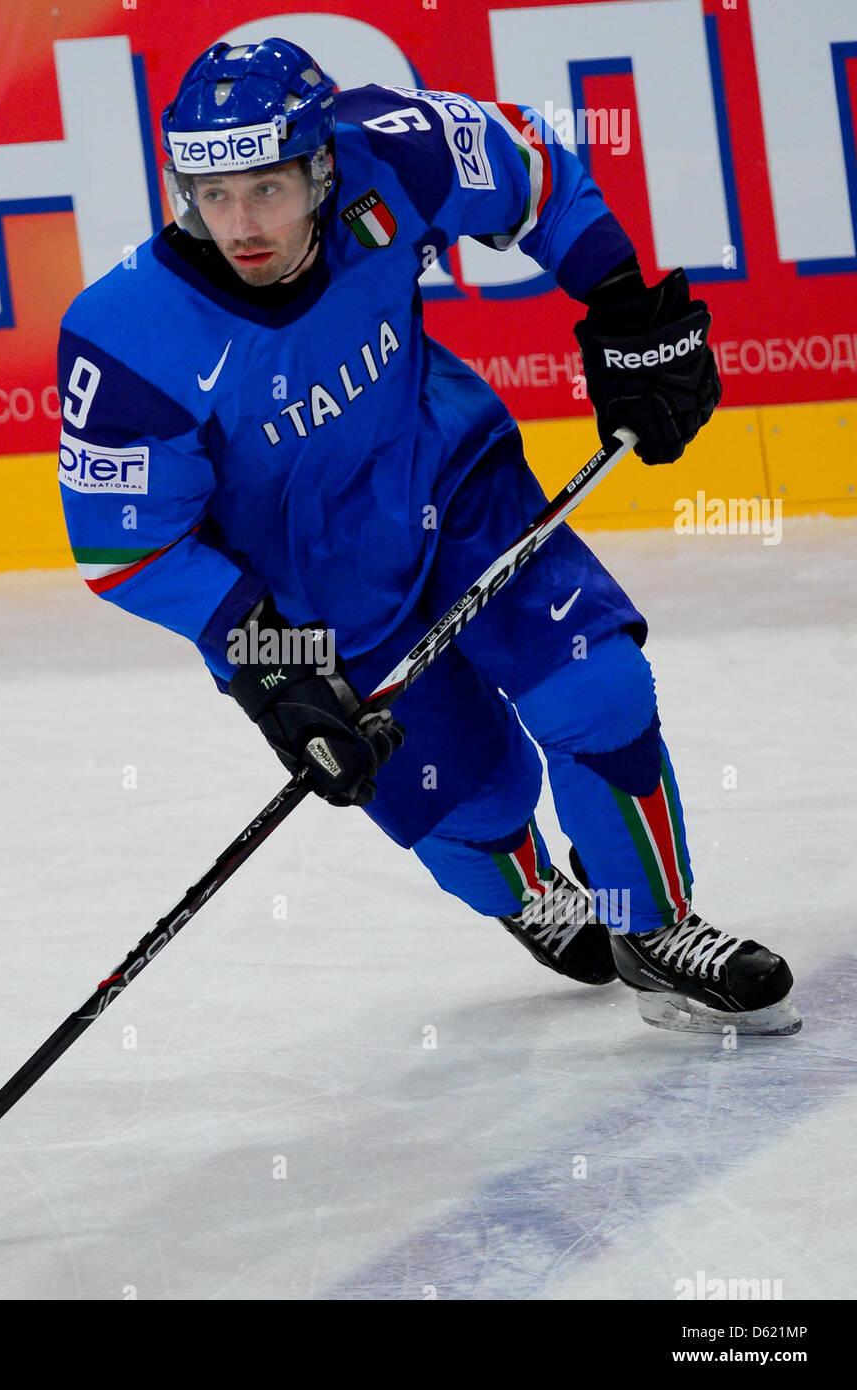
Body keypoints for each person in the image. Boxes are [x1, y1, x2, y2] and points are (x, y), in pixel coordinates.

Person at [56, 38, 799, 1035]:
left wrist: (622, 303)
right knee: (477, 803)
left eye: (268, 188)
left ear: (324, 167)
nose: (240, 225)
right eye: (212, 193)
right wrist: (269, 663)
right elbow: (129, 549)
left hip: (453, 483)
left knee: (597, 687)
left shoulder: (393, 151)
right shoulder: (127, 336)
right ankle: (524, 886)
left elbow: (532, 171)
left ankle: (653, 925)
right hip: (309, 603)